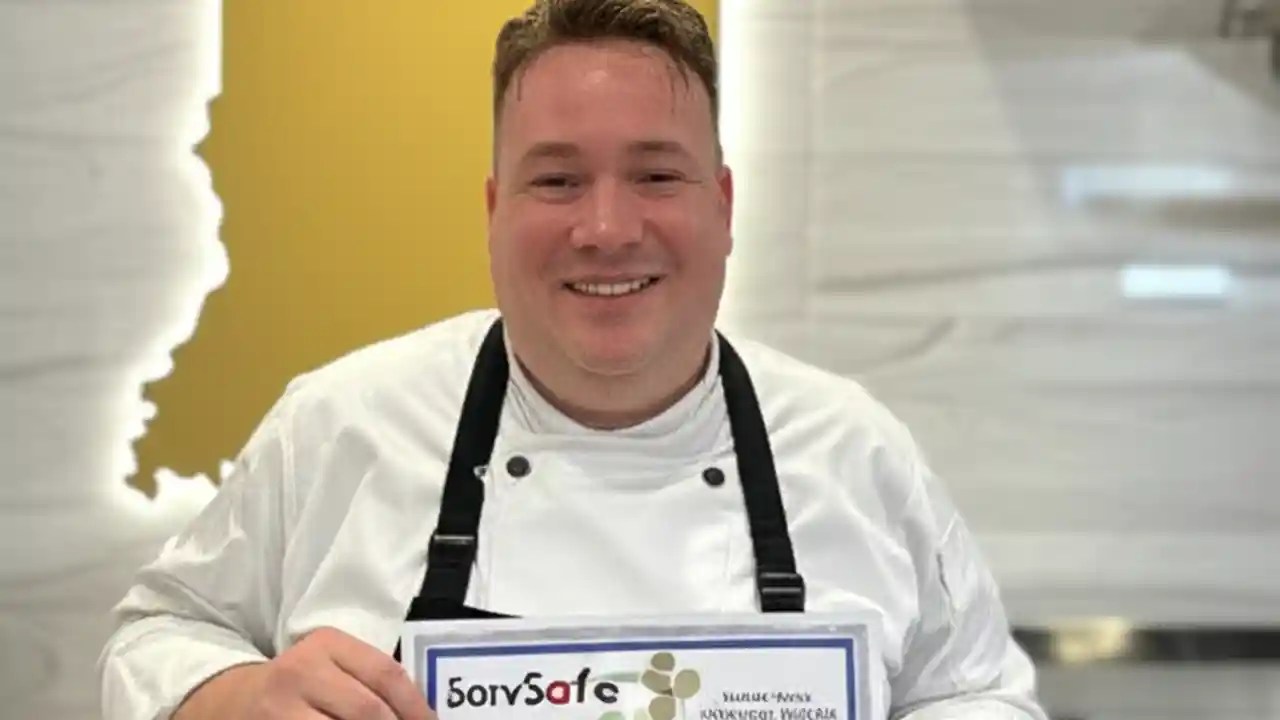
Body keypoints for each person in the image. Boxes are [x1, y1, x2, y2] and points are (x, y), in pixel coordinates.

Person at [99, 1, 1049, 718]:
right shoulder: (336, 427)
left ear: (722, 205)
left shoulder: (856, 451)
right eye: (556, 179)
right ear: (494, 211)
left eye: (656, 175)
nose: (606, 228)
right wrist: (234, 695)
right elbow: (159, 631)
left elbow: (977, 693)